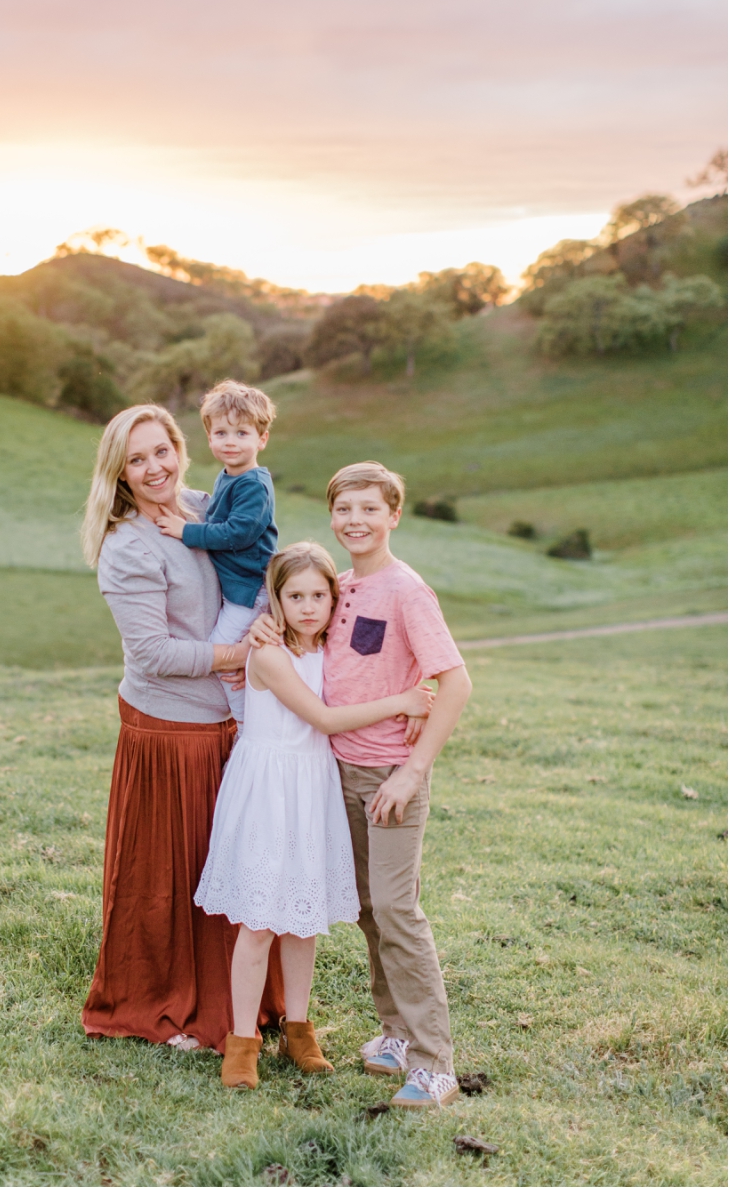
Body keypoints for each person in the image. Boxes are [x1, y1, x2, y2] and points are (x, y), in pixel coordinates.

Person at [79, 403, 284, 1053]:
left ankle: (239, 1001)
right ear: (120, 473)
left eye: (161, 450)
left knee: (229, 869)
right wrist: (241, 655)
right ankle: (169, 1000)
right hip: (168, 732)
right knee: (171, 876)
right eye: (137, 459)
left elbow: (260, 559)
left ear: (179, 448)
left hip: (226, 724)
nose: (154, 467)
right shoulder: (127, 546)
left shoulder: (205, 504)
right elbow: (155, 655)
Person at [195, 541, 435, 1090]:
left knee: (302, 923)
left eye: (319, 596)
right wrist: (402, 704)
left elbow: (387, 659)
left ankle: (298, 1029)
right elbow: (325, 718)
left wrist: (419, 687)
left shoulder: (331, 648)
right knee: (258, 923)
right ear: (274, 601)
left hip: (312, 788)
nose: (307, 606)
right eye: (294, 596)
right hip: (268, 789)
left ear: (335, 599)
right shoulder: (270, 653)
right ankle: (241, 1041)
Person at [323, 461, 472, 1109]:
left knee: (396, 909)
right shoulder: (335, 586)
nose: (355, 520)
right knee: (363, 906)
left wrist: (412, 772)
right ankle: (393, 1037)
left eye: (368, 509)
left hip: (390, 777)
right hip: (338, 770)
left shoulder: (407, 590)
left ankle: (435, 1063)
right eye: (344, 509)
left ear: (393, 515)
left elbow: (455, 682)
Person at [156, 380, 278, 725]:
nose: (230, 442)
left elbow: (238, 533)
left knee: (223, 649)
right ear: (209, 438)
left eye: (242, 433)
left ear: (261, 439)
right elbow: (218, 512)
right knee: (234, 650)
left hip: (250, 589)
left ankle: (244, 724)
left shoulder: (253, 484)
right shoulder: (230, 476)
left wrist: (186, 531)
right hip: (237, 588)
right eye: (221, 433)